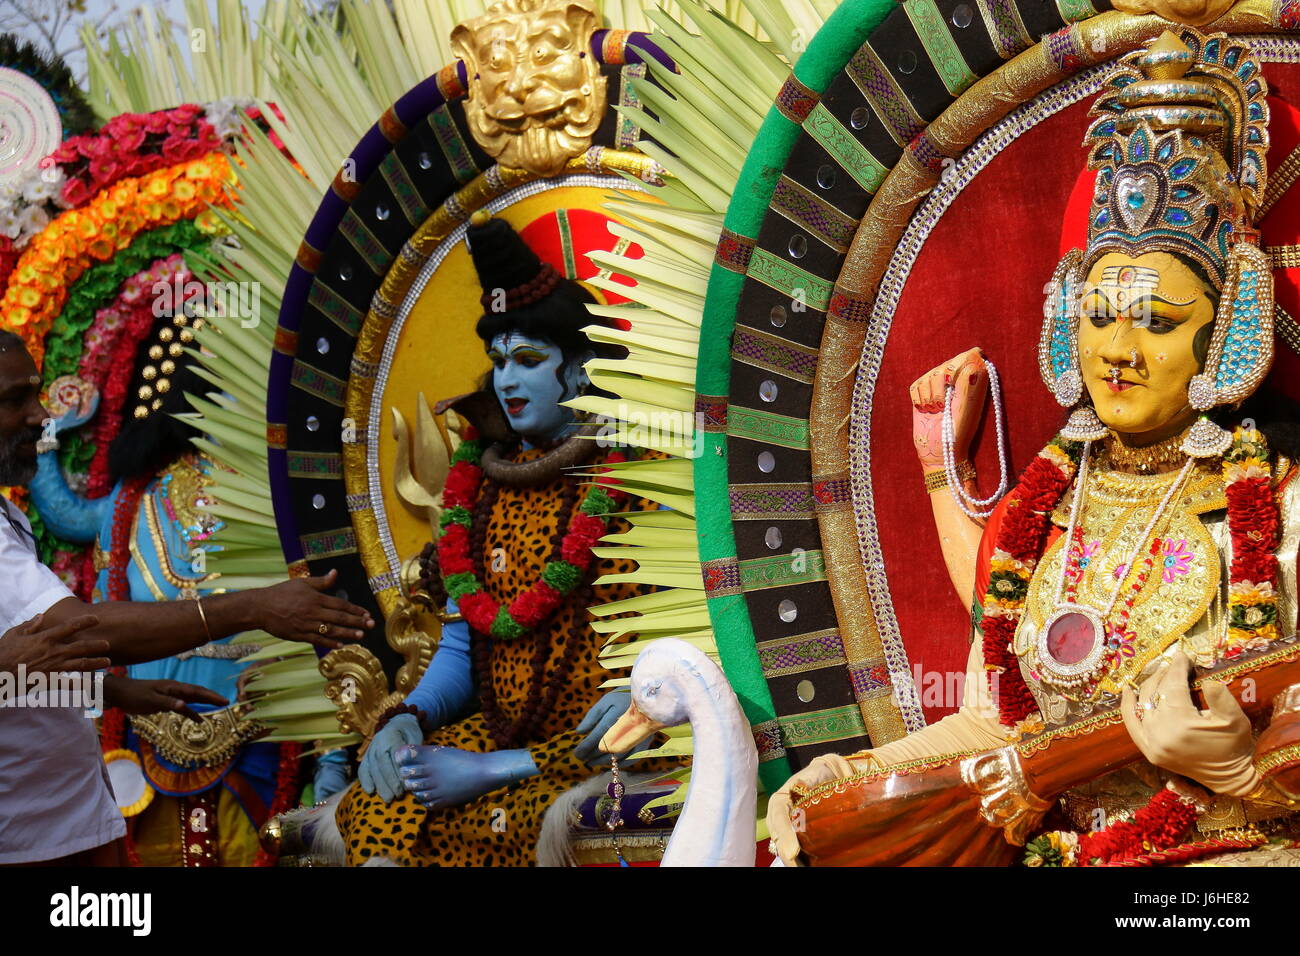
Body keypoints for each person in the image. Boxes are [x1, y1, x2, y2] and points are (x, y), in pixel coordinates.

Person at [768, 29, 1300, 866]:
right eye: (1099, 315)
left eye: (1158, 321)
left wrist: (1242, 779)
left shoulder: (1281, 506)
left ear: (1228, 325)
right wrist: (855, 775)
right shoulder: (1048, 505)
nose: (1118, 351)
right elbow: (993, 724)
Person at [334, 212, 656, 865]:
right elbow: (463, 641)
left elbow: (670, 634)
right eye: (499, 361)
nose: (506, 380)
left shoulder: (629, 481)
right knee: (369, 811)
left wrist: (644, 692)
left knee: (518, 817)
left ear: (582, 368)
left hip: (599, 744)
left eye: (530, 360)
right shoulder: (476, 492)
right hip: (498, 732)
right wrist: (412, 716)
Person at [0, 329, 375, 865]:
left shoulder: (8, 517)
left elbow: (29, 652)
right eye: (16, 400)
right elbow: (80, 629)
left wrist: (110, 692)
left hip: (71, 817)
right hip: (34, 837)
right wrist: (255, 608)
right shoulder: (128, 504)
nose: (40, 415)